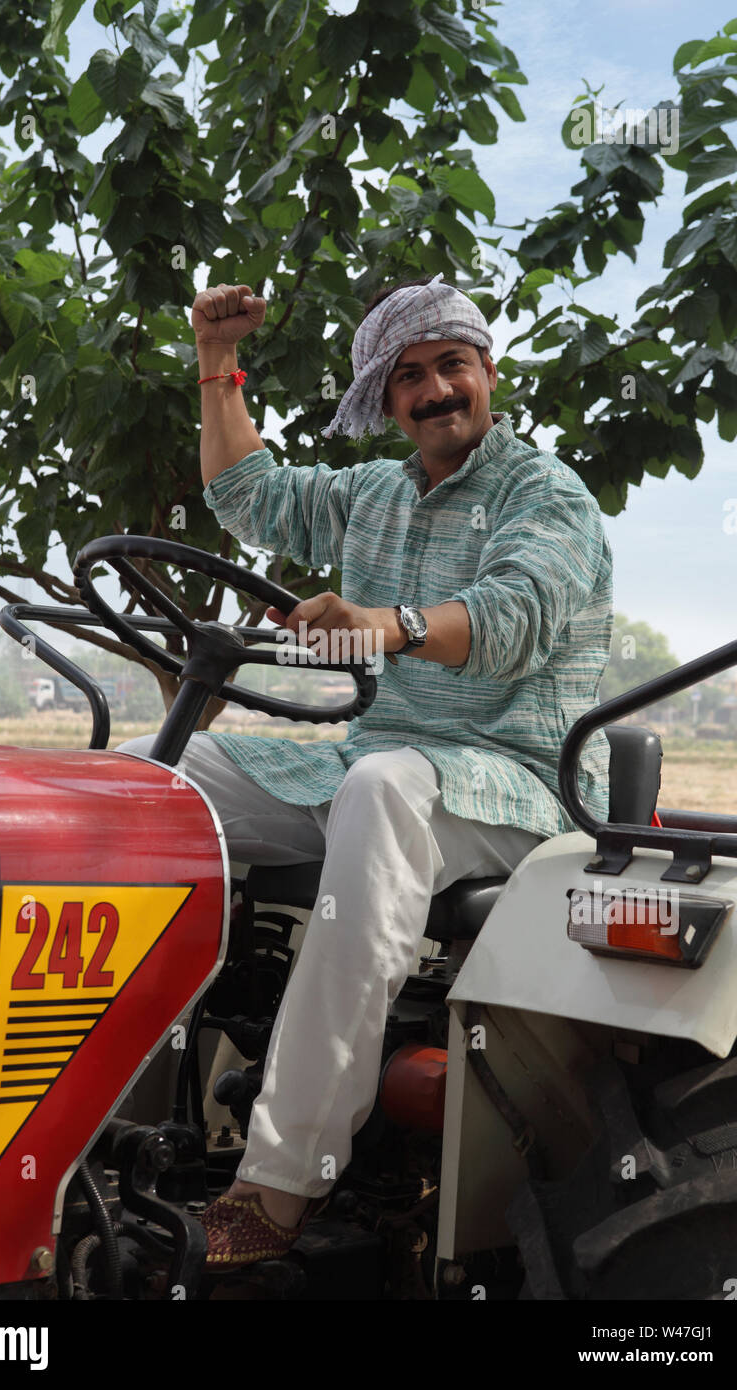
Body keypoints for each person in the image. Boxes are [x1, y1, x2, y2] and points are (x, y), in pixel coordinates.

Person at [117, 273, 614, 1270]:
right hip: (367, 764)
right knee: (150, 776)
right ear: (386, 401)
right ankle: (91, 1125)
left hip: (514, 783)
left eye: (450, 366)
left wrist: (383, 625)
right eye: (409, 377)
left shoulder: (543, 493)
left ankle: (279, 1182)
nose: (434, 390)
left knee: (382, 786)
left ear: (485, 371)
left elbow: (510, 622)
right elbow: (244, 490)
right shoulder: (373, 495)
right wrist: (216, 363)